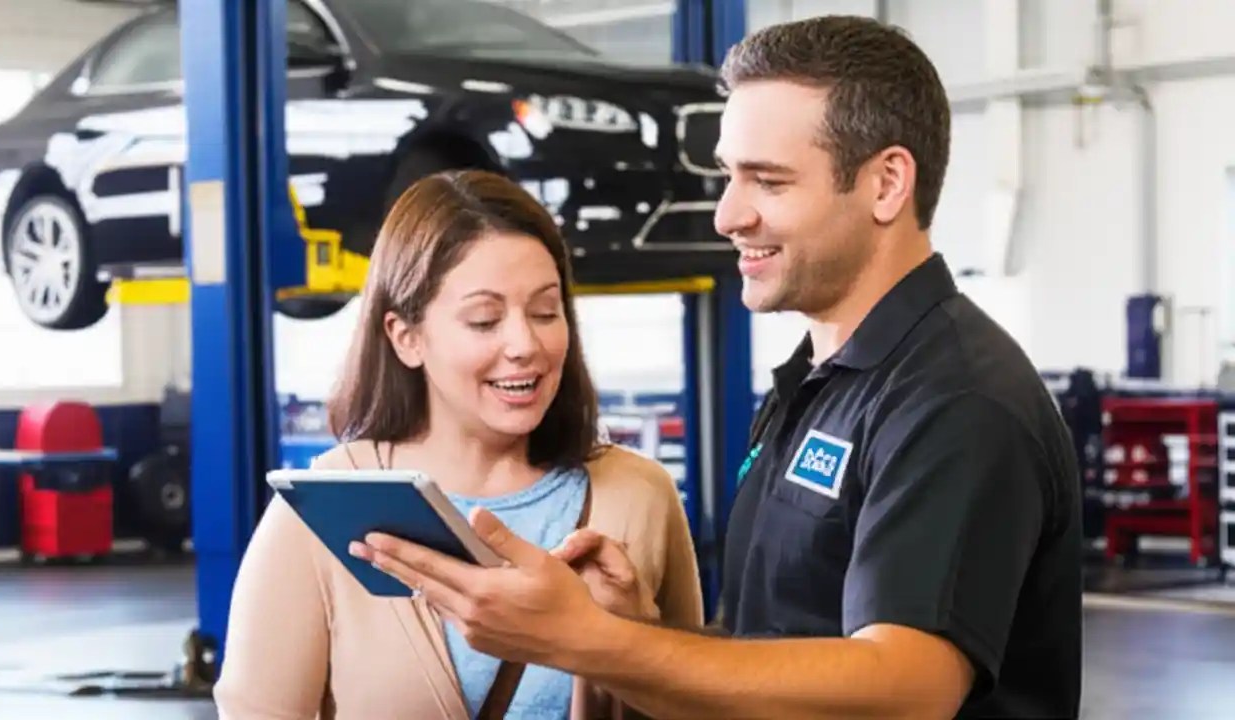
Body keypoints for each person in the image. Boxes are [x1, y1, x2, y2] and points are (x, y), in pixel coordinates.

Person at [353, 15, 1085, 720]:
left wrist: (593, 643)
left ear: (887, 184)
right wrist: (634, 628)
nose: (726, 214)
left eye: (768, 181)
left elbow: (905, 687)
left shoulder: (955, 399)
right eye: (729, 176)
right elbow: (774, 655)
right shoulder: (820, 384)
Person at [213, 170, 704, 719]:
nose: (524, 344)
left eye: (545, 312)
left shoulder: (638, 497)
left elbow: (705, 703)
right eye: (484, 320)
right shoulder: (321, 510)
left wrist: (628, 638)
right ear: (407, 337)